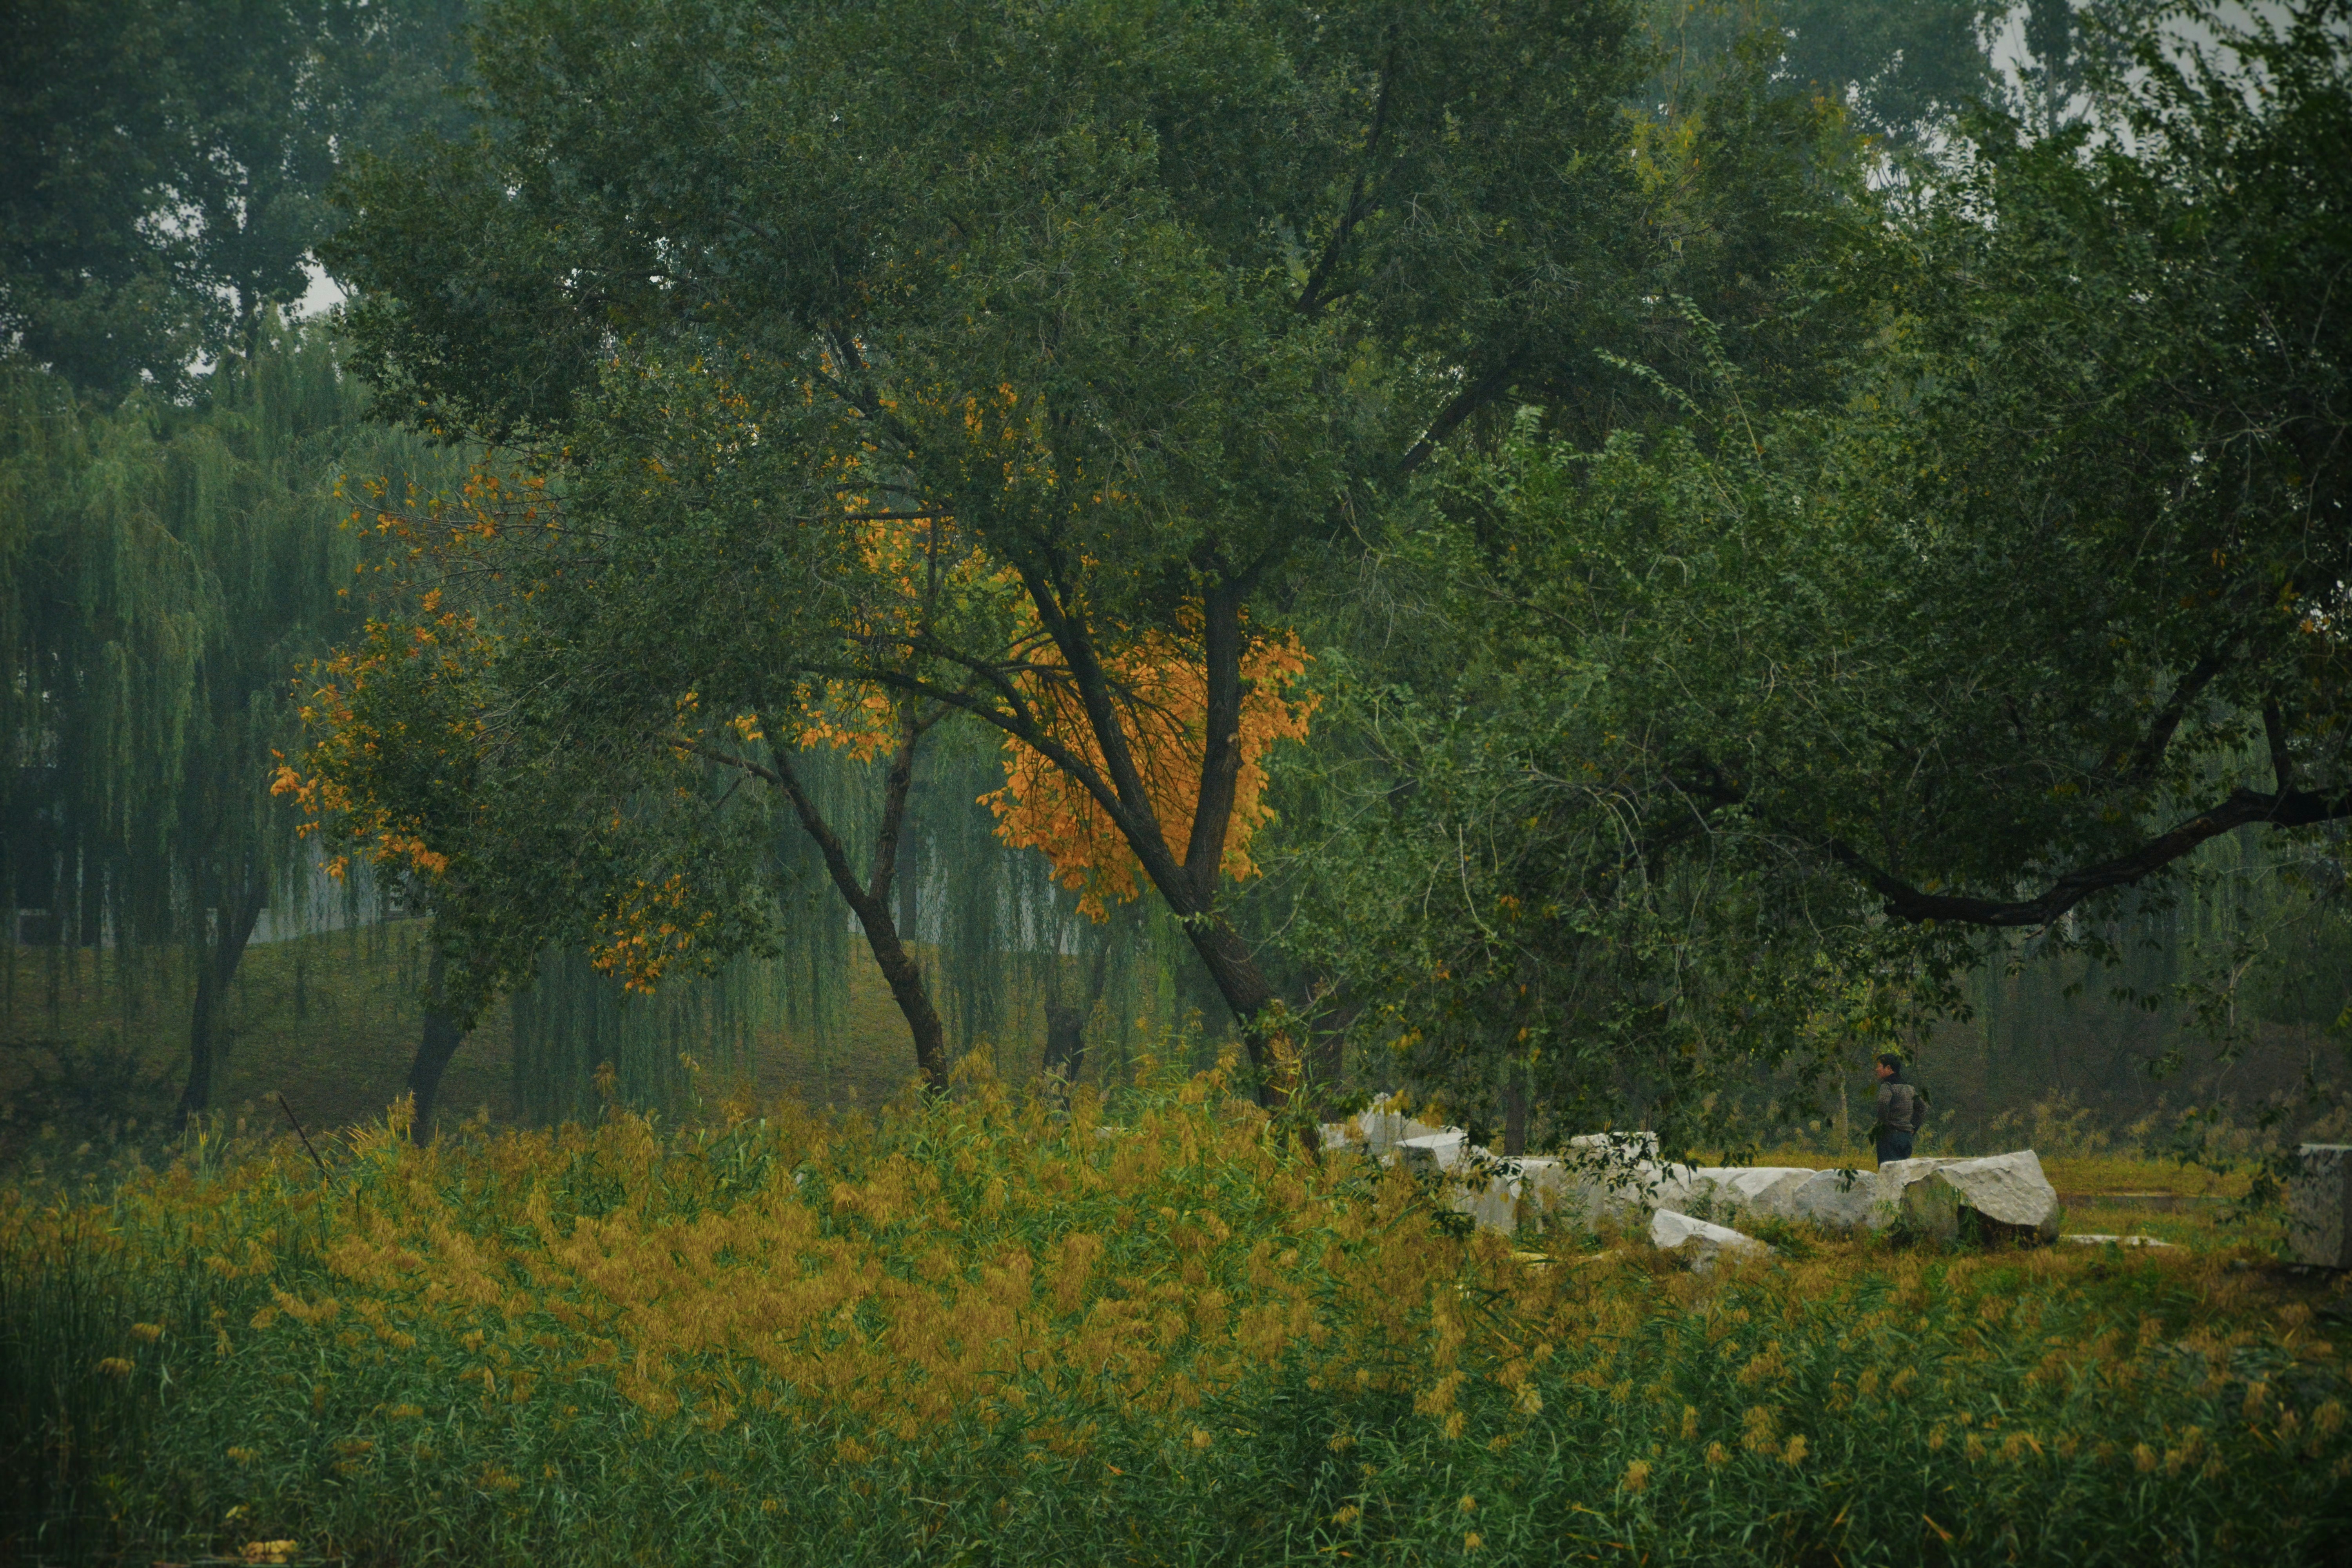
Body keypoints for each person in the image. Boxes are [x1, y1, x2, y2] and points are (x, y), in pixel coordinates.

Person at [1871, 1053, 1928, 1167]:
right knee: (1903, 1174)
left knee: (1888, 1174)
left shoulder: (1887, 1086)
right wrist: (1913, 1127)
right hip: (1906, 1138)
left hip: (1890, 1137)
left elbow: (1883, 1103)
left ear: (1888, 1068)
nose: (1877, 1069)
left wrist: (1883, 1126)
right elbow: (1923, 1108)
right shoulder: (1910, 1088)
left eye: (1879, 1066)